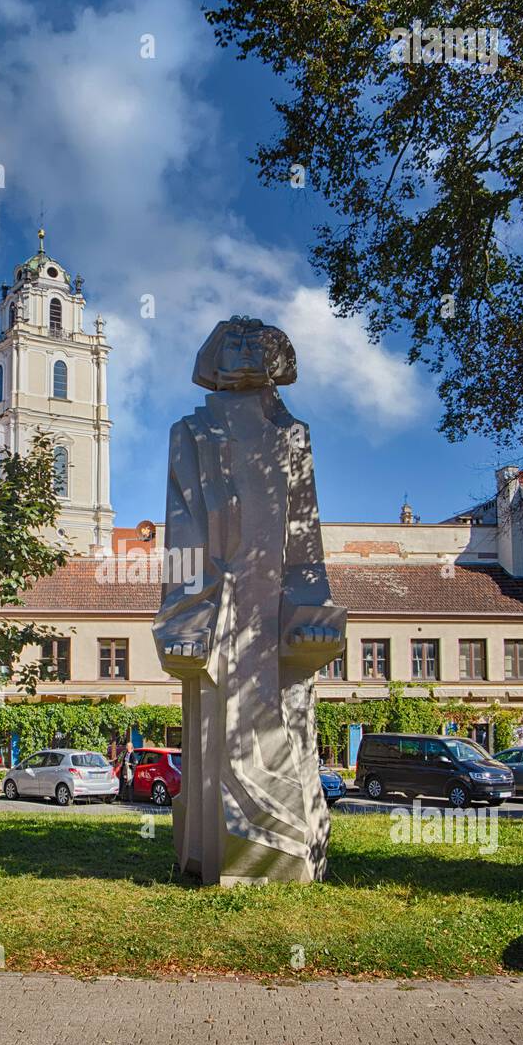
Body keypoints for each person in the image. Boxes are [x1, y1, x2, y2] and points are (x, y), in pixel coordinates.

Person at [153, 316, 346, 885]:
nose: (241, 351)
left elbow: (305, 534)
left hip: (276, 608)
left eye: (253, 343)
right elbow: (181, 529)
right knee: (216, 732)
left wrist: (310, 607)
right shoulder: (190, 431)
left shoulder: (293, 434)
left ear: (276, 356)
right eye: (231, 341)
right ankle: (213, 854)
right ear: (212, 354)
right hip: (218, 605)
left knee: (288, 723)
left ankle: (285, 850)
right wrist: (186, 612)